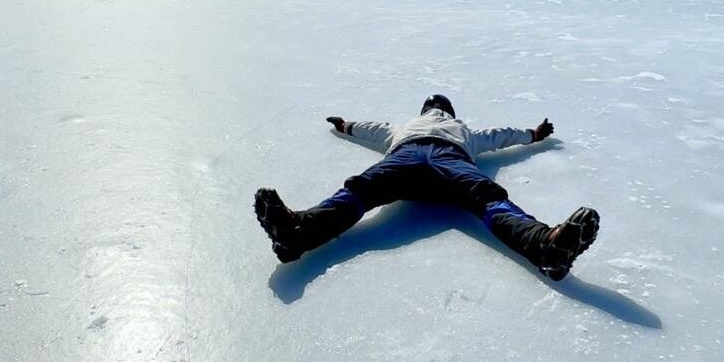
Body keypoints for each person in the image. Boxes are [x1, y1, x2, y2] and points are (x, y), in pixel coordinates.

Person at [253, 94, 601, 280]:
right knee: (483, 198)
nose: (436, 110)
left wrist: (532, 134)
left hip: (425, 158)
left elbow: (498, 136)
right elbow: (497, 136)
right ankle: (297, 233)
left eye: (437, 106)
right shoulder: (446, 129)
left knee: (364, 189)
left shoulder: (439, 128)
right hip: (437, 158)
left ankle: (546, 247)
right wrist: (346, 125)